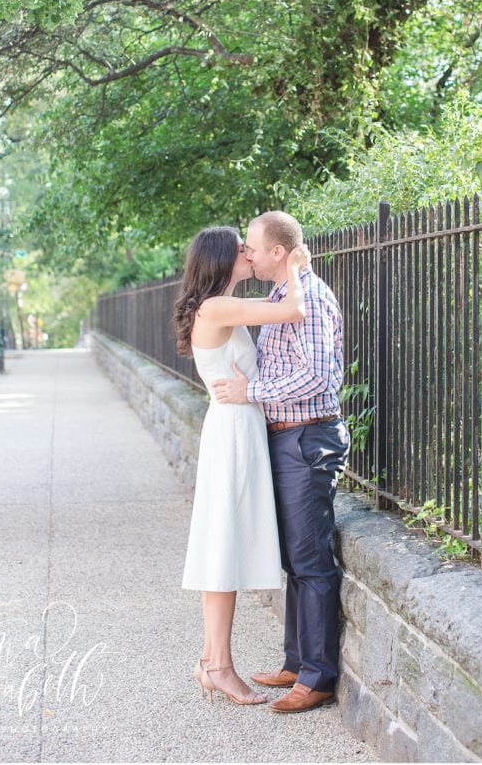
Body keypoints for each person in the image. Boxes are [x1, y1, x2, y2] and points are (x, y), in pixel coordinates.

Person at [213, 211, 350, 714]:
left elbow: (318, 378)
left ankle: (317, 677)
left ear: (278, 252)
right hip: (286, 438)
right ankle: (296, 662)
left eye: (252, 246)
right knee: (295, 558)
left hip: (308, 440)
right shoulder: (279, 296)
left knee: (311, 561)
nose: (246, 255)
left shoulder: (309, 299)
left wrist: (254, 390)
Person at [173, 225, 310, 706]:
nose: (248, 254)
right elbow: (294, 308)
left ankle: (213, 660)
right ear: (220, 259)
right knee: (222, 548)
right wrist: (294, 267)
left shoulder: (217, 305)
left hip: (236, 427)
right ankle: (218, 666)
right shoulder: (216, 307)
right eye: (240, 250)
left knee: (222, 547)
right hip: (232, 431)